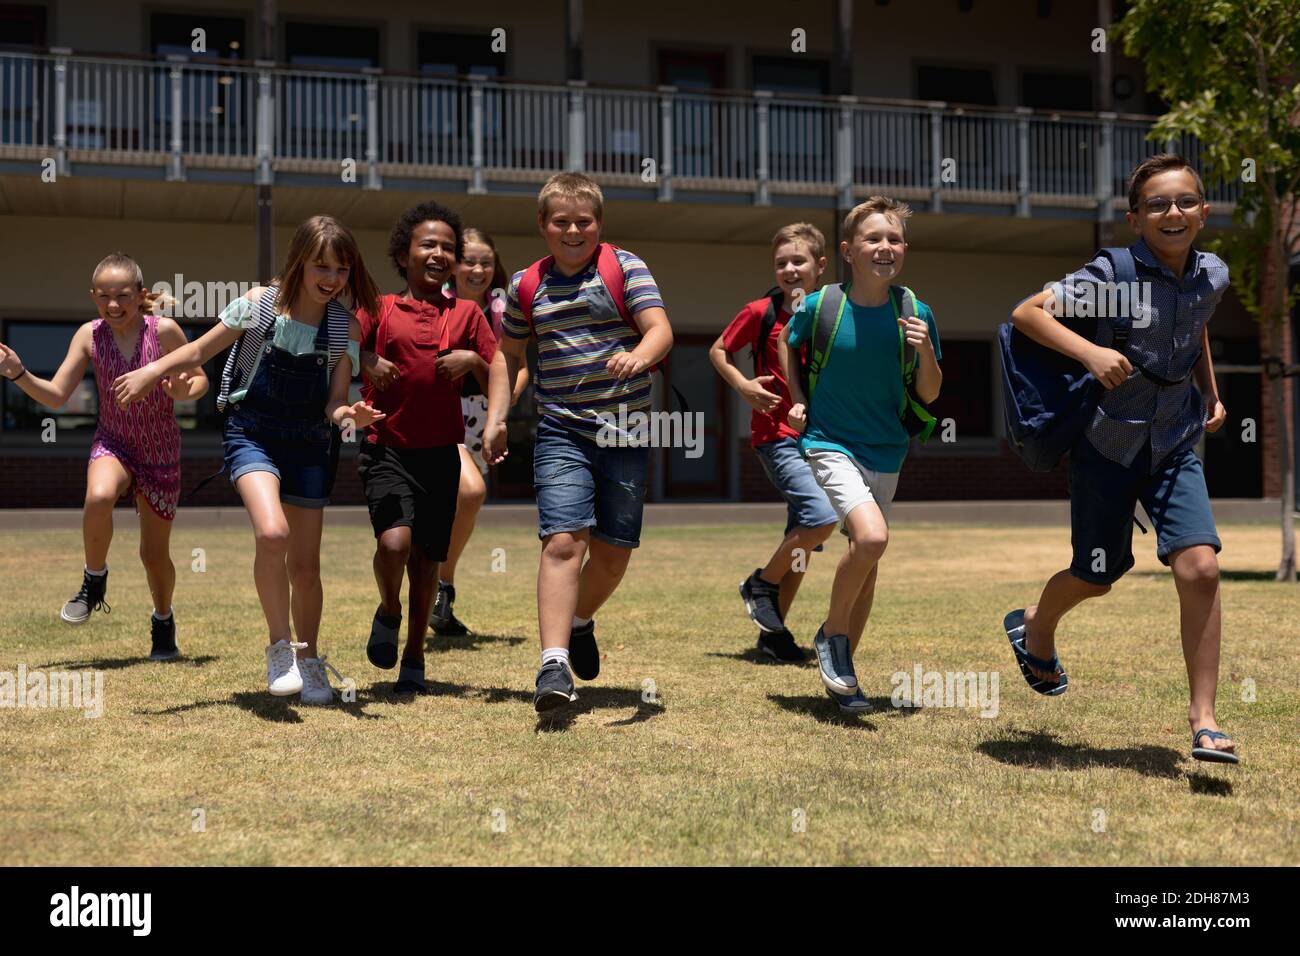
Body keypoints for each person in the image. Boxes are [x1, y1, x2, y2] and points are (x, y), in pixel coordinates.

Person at [1002, 154, 1237, 764]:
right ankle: (1036, 627)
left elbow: (1197, 325)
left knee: (1201, 568)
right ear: (1136, 219)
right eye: (1157, 205)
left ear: (1204, 211)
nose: (1173, 213)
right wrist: (1089, 354)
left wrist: (1208, 389)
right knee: (1097, 576)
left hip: (1174, 444)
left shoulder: (1212, 274)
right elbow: (1027, 313)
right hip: (1106, 446)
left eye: (1185, 201)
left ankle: (1205, 721)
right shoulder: (1112, 273)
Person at [113, 216, 383, 705]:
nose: (332, 278)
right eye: (322, 266)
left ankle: (311, 658)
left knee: (305, 566)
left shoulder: (346, 325)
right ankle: (280, 648)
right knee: (272, 533)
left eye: (342, 269)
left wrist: (351, 415)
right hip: (252, 432)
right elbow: (198, 349)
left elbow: (335, 401)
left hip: (310, 443)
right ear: (300, 261)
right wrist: (151, 371)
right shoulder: (258, 306)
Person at [498, 172, 674, 713]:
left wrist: (639, 356)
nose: (573, 230)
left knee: (614, 555)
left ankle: (578, 621)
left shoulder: (624, 267)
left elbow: (660, 330)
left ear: (599, 223)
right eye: (561, 222)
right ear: (543, 225)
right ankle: (553, 664)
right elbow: (507, 356)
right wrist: (497, 416)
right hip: (562, 431)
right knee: (563, 542)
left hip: (625, 432)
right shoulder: (526, 284)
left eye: (584, 221)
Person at [778, 197, 942, 715]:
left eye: (893, 239)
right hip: (829, 442)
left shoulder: (914, 311)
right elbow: (788, 342)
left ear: (905, 250)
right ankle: (831, 635)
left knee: (867, 565)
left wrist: (925, 351)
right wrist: (798, 400)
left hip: (889, 449)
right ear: (849, 251)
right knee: (872, 539)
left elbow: (932, 393)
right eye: (873, 239)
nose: (885, 247)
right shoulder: (822, 304)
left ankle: (843, 681)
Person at [0, 253, 208, 660]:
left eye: (123, 296)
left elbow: (199, 379)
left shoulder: (164, 331)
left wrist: (184, 391)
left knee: (154, 555)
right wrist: (18, 373)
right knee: (98, 496)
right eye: (105, 296)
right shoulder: (89, 335)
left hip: (160, 449)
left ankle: (163, 621)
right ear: (94, 297)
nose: (114, 305)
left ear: (141, 295)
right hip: (113, 441)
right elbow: (58, 396)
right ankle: (94, 580)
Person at [355, 203, 507, 693]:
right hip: (386, 446)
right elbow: (337, 348)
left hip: (442, 451)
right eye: (429, 245)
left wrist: (474, 363)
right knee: (394, 543)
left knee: (427, 559)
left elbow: (499, 370)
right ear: (404, 254)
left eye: (448, 248)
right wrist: (367, 358)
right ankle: (389, 608)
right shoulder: (377, 307)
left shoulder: (466, 314)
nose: (440, 254)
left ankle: (415, 656)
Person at [709, 223, 838, 662]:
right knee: (821, 518)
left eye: (798, 261)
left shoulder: (831, 311)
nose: (789, 269)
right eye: (781, 262)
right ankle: (760, 584)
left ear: (820, 266)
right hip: (776, 436)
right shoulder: (760, 310)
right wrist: (744, 386)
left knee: (800, 541)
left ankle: (773, 634)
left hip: (821, 439)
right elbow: (718, 351)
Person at [427, 226, 529, 637]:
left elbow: (519, 366)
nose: (478, 269)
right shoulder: (437, 304)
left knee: (457, 508)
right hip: (439, 414)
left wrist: (505, 406)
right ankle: (435, 588)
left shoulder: (503, 307)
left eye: (486, 262)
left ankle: (441, 591)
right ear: (454, 264)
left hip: (486, 418)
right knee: (468, 493)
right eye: (470, 260)